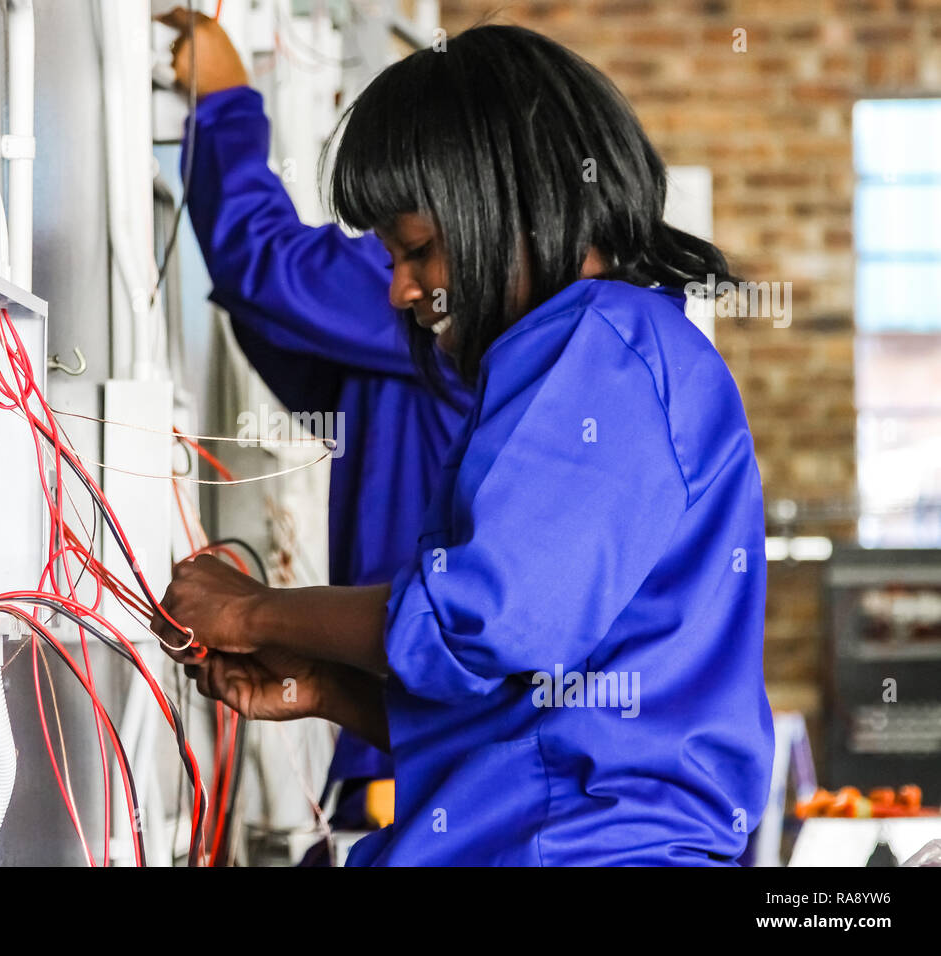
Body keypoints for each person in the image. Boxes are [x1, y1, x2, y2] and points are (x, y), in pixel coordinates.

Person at [154, 23, 775, 866]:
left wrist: (252, 611)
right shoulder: (565, 361)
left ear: (516, 205)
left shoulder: (607, 349)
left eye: (417, 251)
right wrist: (329, 687)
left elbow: (479, 626)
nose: (401, 289)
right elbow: (535, 722)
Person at [158, 7, 475, 840]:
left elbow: (265, 267)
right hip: (397, 736)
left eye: (405, 243)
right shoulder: (438, 323)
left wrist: (226, 100)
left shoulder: (451, 298)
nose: (396, 278)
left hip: (410, 761)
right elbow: (295, 341)